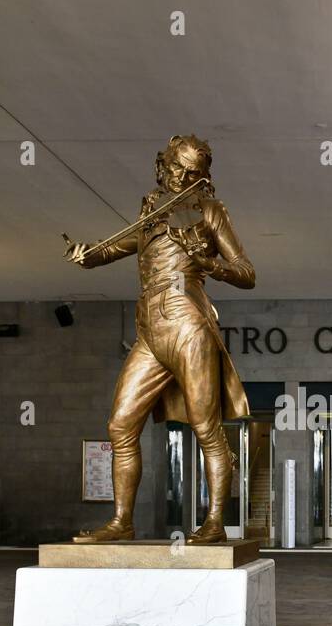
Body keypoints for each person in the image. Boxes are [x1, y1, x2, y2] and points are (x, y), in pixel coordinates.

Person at [64, 134, 254, 544]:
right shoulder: (151, 211)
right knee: (120, 425)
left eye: (189, 175)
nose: (178, 179)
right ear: (161, 165)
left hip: (188, 323)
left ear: (201, 178)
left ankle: (216, 522)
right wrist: (88, 254)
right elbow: (118, 246)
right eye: (173, 170)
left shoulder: (210, 211)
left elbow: (246, 271)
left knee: (206, 428)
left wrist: (208, 263)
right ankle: (121, 522)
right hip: (150, 331)